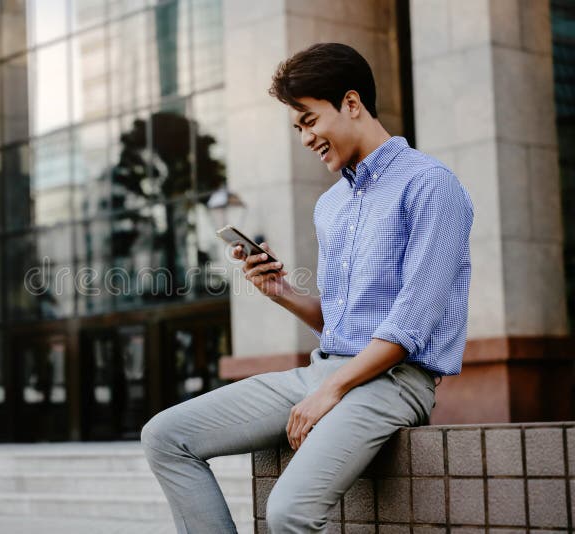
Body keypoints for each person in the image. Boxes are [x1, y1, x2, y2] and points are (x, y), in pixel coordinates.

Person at [140, 42, 474, 533]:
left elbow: (410, 326)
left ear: (352, 103)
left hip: (397, 382)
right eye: (298, 127)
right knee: (165, 436)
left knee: (288, 511)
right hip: (324, 372)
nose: (305, 138)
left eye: (310, 120)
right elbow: (341, 321)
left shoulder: (430, 185)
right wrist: (282, 293)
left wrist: (331, 390)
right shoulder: (330, 205)